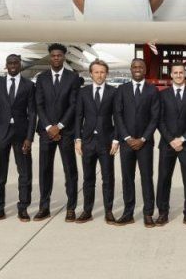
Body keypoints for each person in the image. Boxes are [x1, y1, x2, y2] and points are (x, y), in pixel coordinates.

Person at [0, 54, 36, 221]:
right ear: (6, 65)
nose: (13, 65)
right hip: (1, 133)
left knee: (25, 173)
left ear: (20, 64)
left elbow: (32, 113)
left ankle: (23, 207)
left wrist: (29, 138)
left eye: (16, 62)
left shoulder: (28, 85)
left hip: (21, 135)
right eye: (10, 63)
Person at [34, 43, 80, 220]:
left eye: (59, 55)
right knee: (45, 170)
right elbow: (39, 104)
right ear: (49, 57)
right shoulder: (42, 78)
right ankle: (44, 207)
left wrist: (59, 126)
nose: (56, 58)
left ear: (64, 57)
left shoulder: (72, 78)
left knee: (70, 170)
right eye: (53, 56)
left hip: (65, 132)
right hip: (46, 132)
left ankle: (71, 208)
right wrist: (48, 127)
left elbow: (73, 105)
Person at [114, 58, 161, 227]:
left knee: (146, 177)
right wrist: (127, 137)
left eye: (141, 66)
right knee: (128, 178)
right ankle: (128, 213)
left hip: (145, 143)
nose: (137, 69)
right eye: (134, 66)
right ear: (130, 69)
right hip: (126, 142)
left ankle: (148, 213)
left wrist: (142, 138)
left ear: (145, 69)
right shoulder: (122, 89)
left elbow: (155, 117)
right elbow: (117, 115)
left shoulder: (152, 91)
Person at [156, 62, 186, 226]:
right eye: (175, 72)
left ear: (185, 74)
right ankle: (162, 213)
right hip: (167, 144)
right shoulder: (162, 95)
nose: (178, 75)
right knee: (163, 179)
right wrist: (171, 139)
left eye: (181, 72)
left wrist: (182, 139)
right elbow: (159, 120)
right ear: (171, 74)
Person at [75, 61, 119, 223]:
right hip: (87, 141)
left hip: (107, 141)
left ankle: (108, 211)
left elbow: (118, 118)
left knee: (108, 178)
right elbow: (79, 116)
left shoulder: (113, 92)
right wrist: (77, 139)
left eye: (102, 72)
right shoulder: (83, 92)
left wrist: (116, 139)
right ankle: (88, 211)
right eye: (96, 72)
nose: (99, 75)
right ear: (90, 74)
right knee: (88, 178)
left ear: (106, 74)